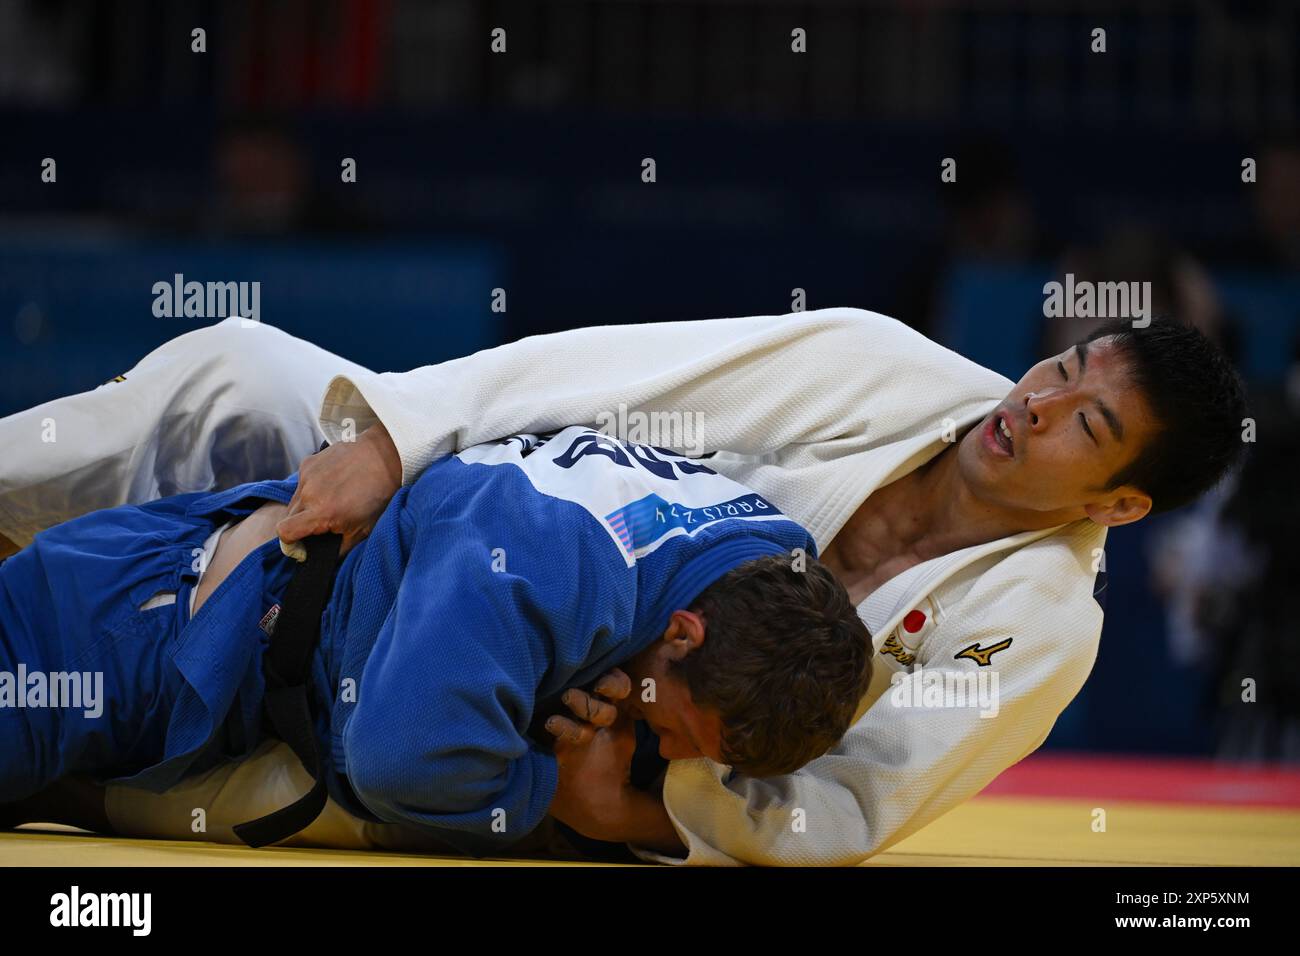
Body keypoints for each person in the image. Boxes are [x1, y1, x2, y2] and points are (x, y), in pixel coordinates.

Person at [0, 305, 1249, 864]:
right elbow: (599, 375)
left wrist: (630, 812)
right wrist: (392, 441)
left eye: (1087, 425)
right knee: (241, 368)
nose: (1035, 405)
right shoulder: (879, 365)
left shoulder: (1036, 630)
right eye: (1064, 366)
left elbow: (851, 803)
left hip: (597, 748)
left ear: (1116, 504)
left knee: (326, 773)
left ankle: (88, 764)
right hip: (506, 551)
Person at [0, 424, 873, 856]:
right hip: (134, 628)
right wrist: (556, 792)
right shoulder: (549, 563)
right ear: (683, 633)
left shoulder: (770, 548)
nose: (670, 753)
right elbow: (398, 763)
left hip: (203, 629)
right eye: (677, 729)